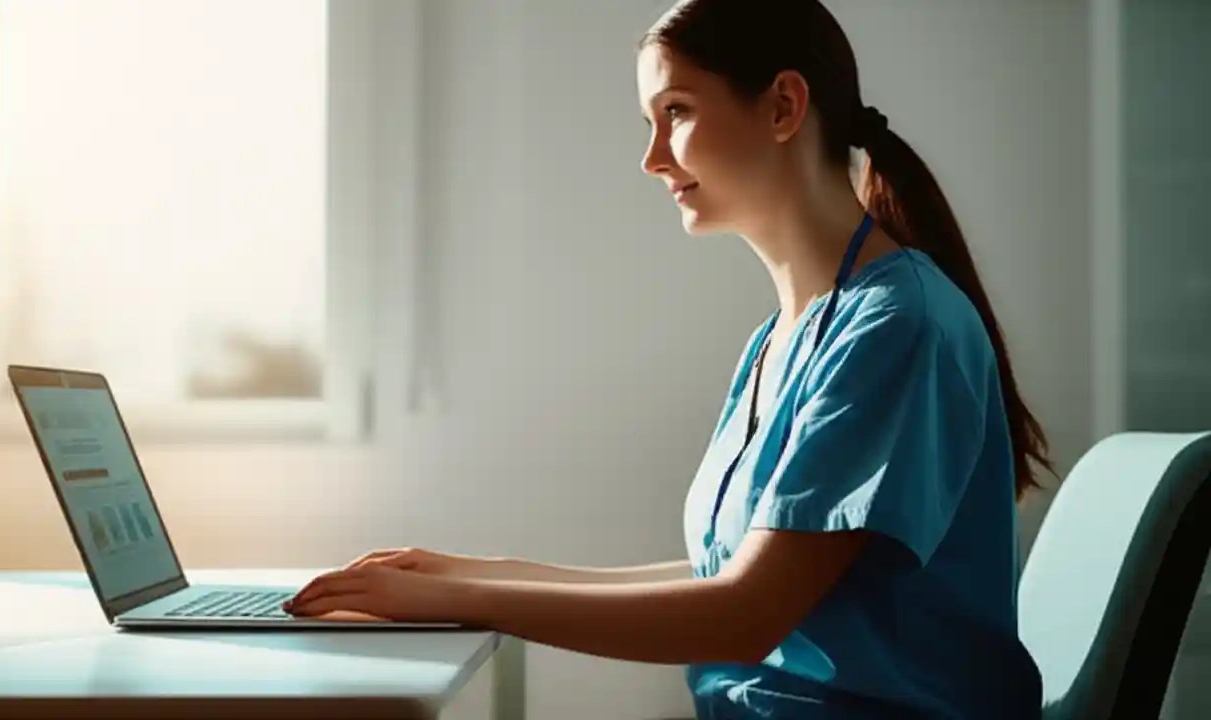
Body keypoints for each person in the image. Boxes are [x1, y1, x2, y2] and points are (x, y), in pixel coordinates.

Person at [284, 0, 1050, 716]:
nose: (652, 157)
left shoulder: (897, 324)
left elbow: (743, 615)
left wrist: (461, 601)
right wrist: (466, 572)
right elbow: (732, 575)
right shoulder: (787, 335)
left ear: (784, 106)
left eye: (675, 113)